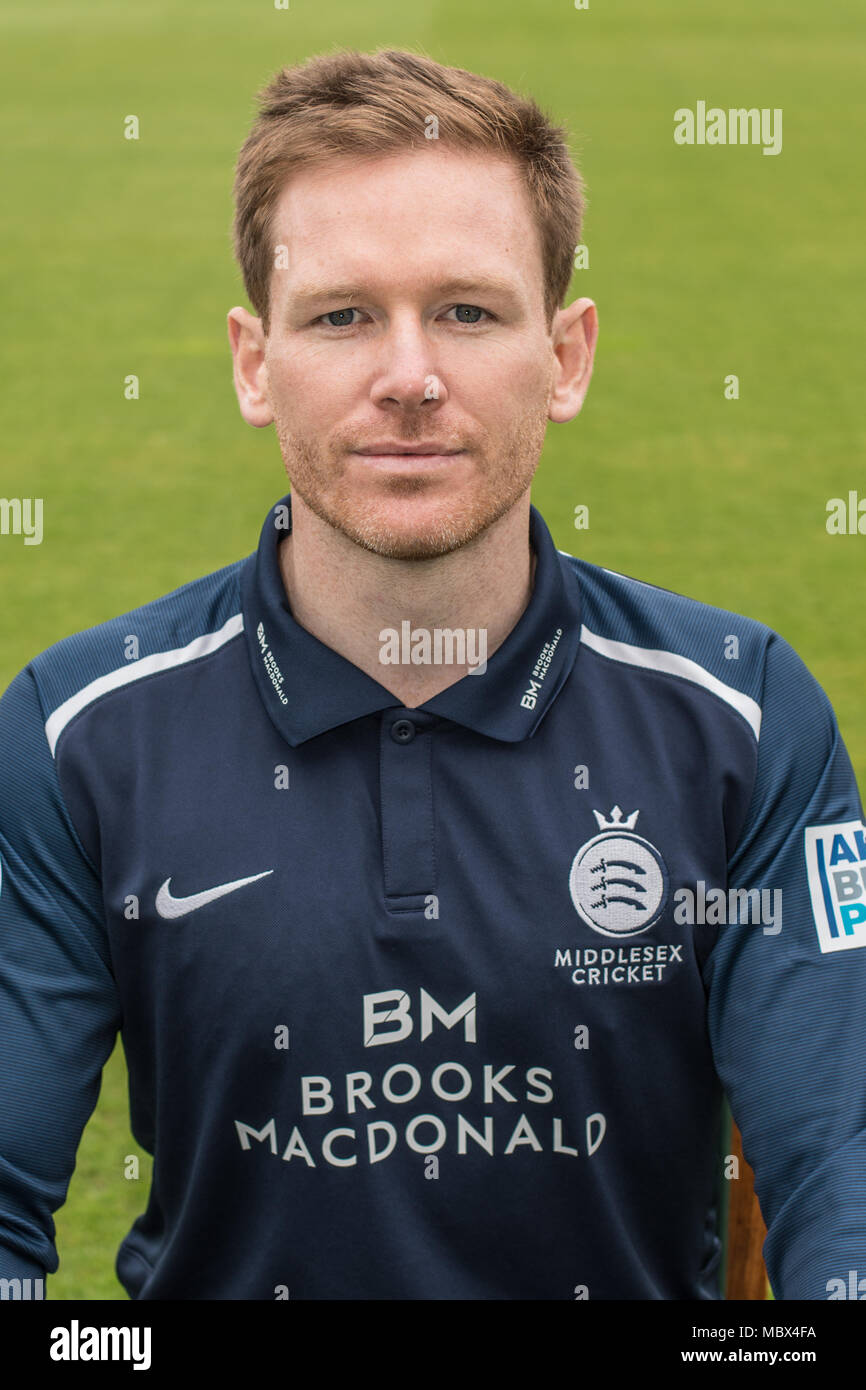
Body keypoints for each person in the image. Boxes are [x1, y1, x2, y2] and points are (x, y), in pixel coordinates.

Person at [0, 47, 864, 1302]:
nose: (408, 377)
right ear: (255, 360)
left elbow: (838, 1159)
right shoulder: (75, 736)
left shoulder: (742, 717)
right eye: (343, 315)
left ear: (564, 354)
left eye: (466, 310)